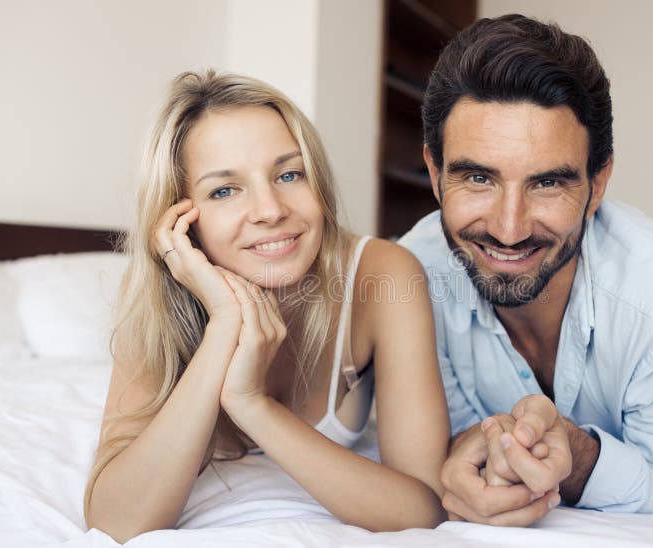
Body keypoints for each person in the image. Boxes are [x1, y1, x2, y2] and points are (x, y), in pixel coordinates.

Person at [399, 13, 653, 526]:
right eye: (478, 177)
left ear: (597, 184)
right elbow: (429, 447)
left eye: (547, 184)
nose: (509, 229)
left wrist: (578, 457)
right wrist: (468, 447)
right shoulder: (411, 276)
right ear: (434, 172)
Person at [84, 70, 449, 542]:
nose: (271, 209)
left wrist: (252, 404)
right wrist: (224, 325)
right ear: (181, 219)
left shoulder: (383, 275)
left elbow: (421, 511)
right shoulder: (156, 291)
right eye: (224, 190)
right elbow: (116, 523)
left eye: (289, 174)